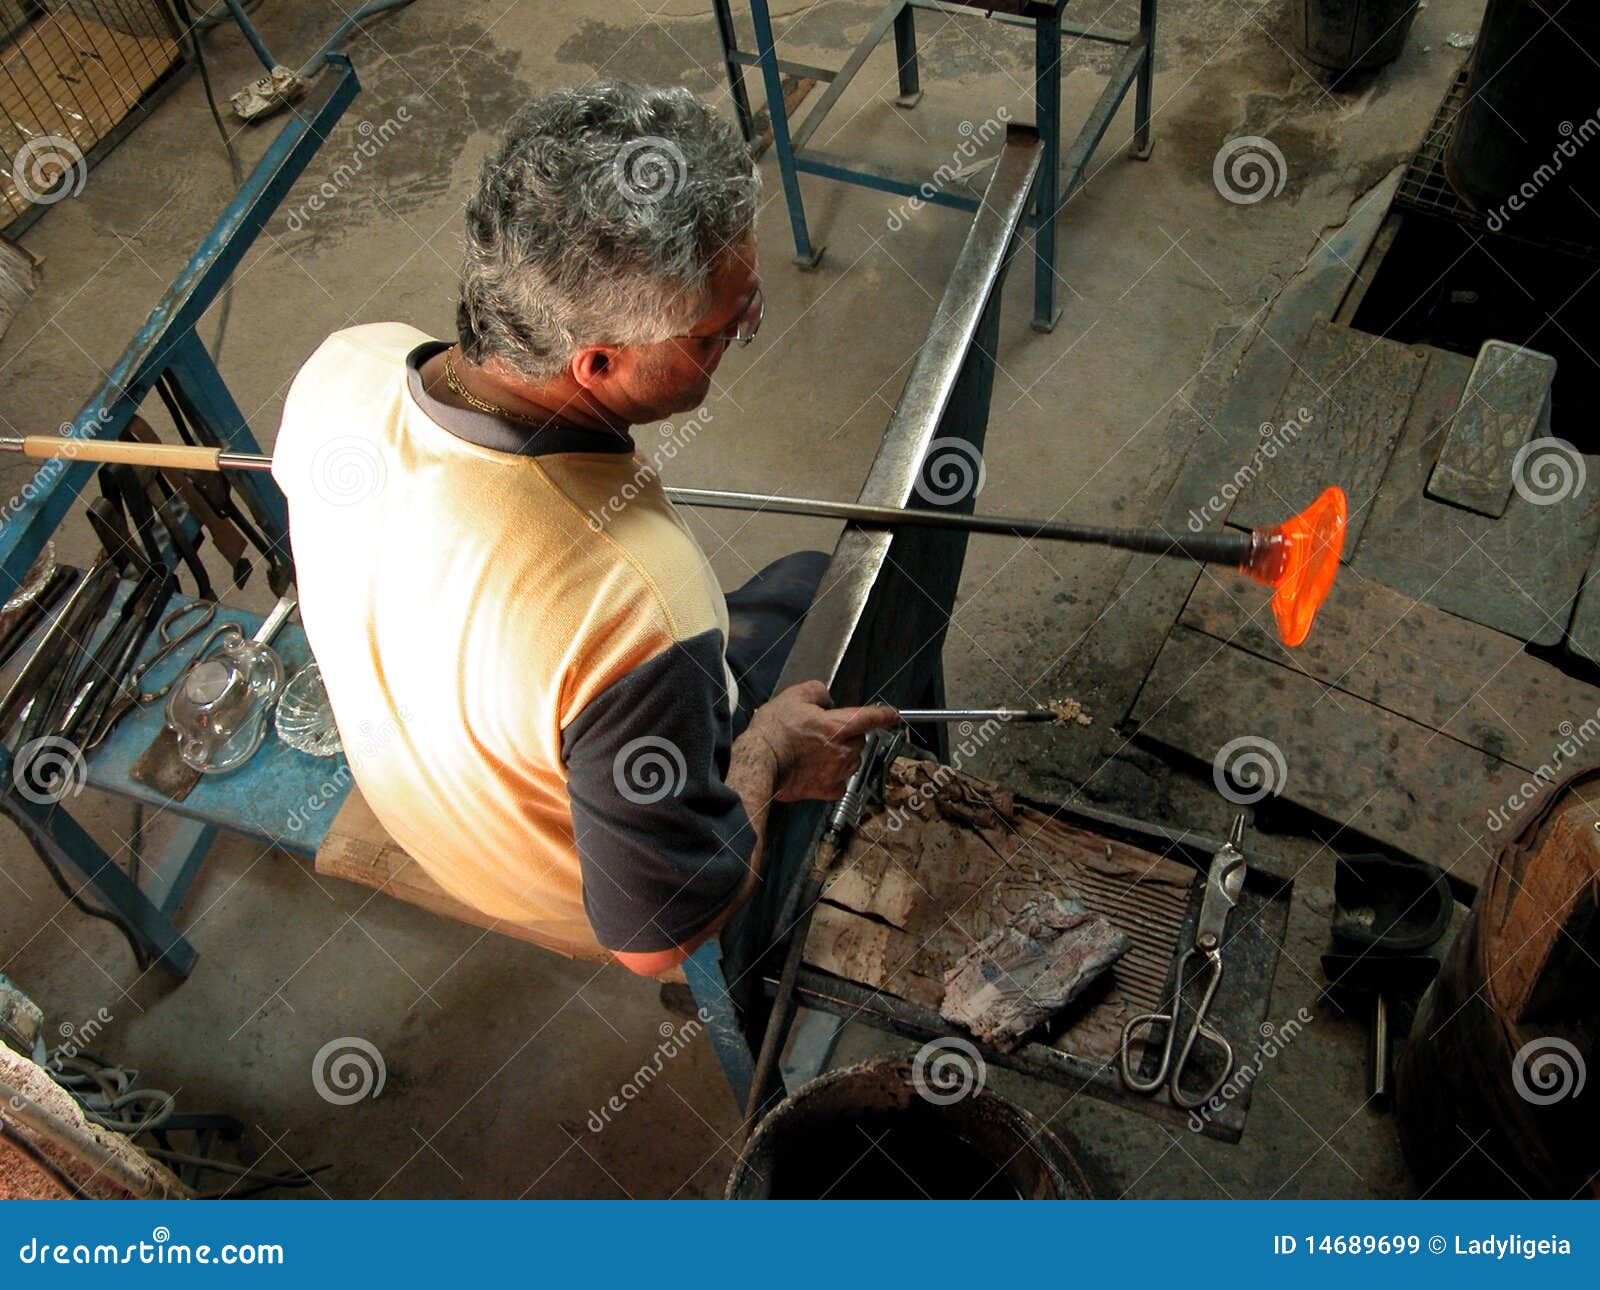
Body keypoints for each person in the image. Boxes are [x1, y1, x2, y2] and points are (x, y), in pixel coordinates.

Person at [272, 82, 898, 976]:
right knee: (817, 639)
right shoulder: (635, 597)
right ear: (599, 363)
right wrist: (765, 753)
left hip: (423, 778)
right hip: (550, 882)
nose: (739, 340)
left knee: (799, 585)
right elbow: (661, 937)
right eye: (724, 332)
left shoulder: (350, 359)